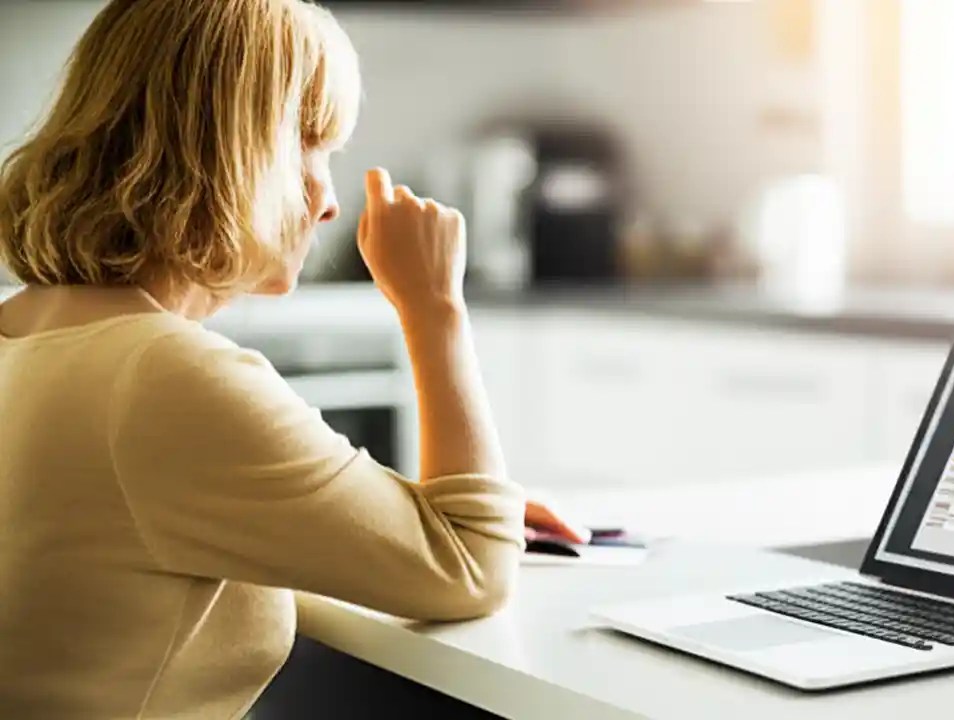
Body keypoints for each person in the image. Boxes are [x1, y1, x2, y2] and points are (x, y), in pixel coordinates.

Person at [0, 1, 580, 717]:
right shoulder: (163, 375)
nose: (328, 199)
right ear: (220, 151)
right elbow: (467, 570)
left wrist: (413, 509)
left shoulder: (28, 337)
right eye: (308, 146)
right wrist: (434, 307)